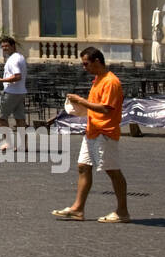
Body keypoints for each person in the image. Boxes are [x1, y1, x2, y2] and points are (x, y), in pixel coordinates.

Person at [52, 46, 129, 223]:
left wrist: (81, 101)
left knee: (113, 171)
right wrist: (79, 106)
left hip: (105, 132)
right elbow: (94, 106)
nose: (84, 67)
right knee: (83, 166)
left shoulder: (110, 82)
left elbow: (105, 109)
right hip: (93, 131)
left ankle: (123, 211)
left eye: (86, 63)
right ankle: (78, 209)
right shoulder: (98, 80)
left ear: (97, 61)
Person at [0, 37, 27, 152]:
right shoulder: (20, 57)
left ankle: (8, 143)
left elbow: (17, 76)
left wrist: (1, 80)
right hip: (20, 92)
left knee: (0, 117)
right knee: (20, 118)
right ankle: (23, 145)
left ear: (13, 46)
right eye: (2, 47)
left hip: (11, 92)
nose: (4, 48)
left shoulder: (13, 60)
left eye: (6, 46)